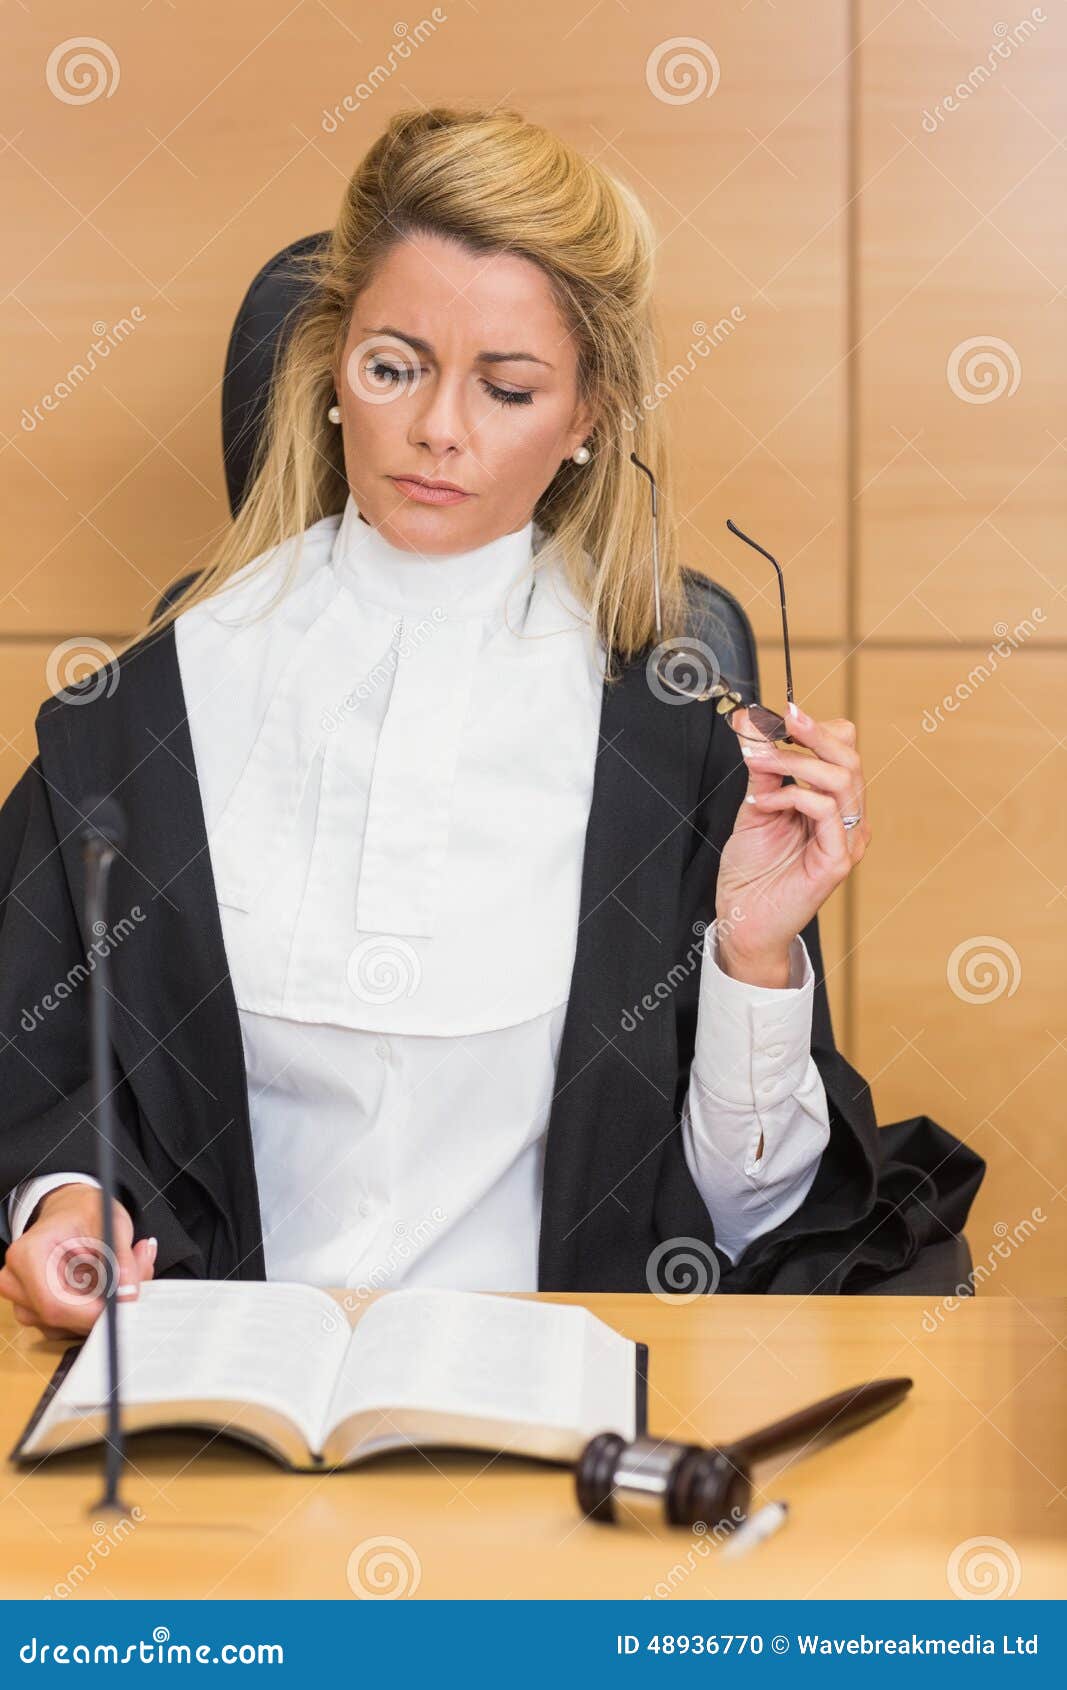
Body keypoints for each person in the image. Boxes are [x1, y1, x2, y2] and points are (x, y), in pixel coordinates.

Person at [0, 106, 982, 1339]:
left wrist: (750, 956)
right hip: (217, 1420)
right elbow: (43, 1079)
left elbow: (748, 1219)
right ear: (328, 371)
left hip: (559, 1426)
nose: (438, 430)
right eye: (393, 366)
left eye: (507, 387)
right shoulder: (147, 714)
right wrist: (66, 1211)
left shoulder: (671, 747)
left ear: (582, 420)